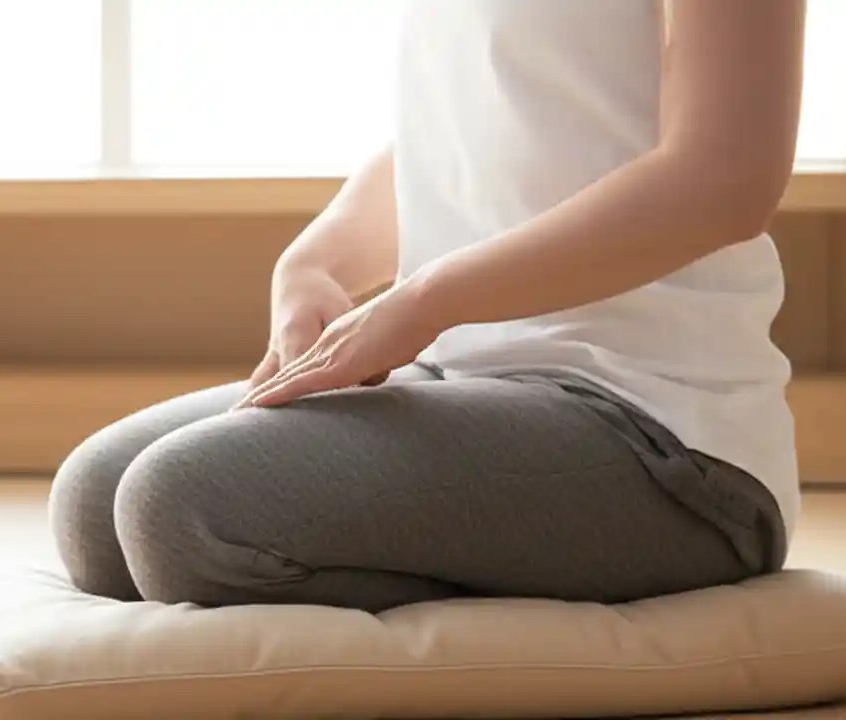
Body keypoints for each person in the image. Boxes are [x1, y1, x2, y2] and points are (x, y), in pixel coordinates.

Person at [49, 0, 805, 612]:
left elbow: (724, 179)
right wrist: (314, 262)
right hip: (474, 385)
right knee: (96, 506)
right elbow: (477, 119)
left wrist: (425, 303)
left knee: (182, 514)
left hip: (665, 441)